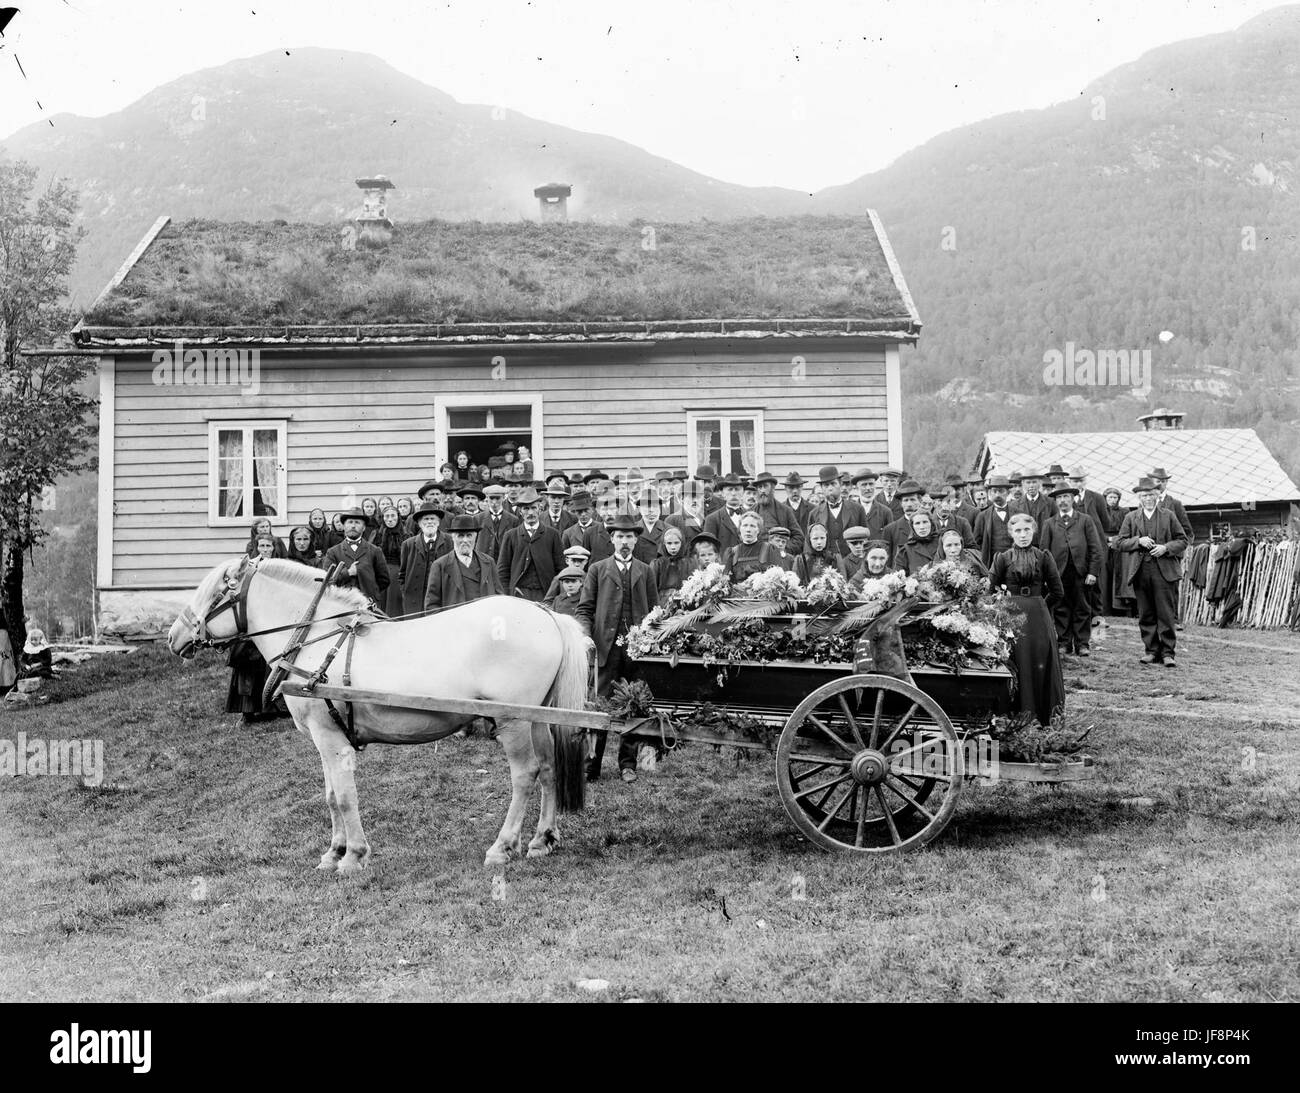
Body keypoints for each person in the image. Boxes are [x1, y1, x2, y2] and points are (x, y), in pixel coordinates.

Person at [576, 513, 659, 783]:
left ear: (636, 540)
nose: (625, 541)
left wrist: (650, 641)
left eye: (629, 537)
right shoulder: (598, 569)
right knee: (601, 706)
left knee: (635, 705)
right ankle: (592, 765)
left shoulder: (645, 571)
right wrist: (586, 637)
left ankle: (628, 764)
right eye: (620, 536)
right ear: (612, 539)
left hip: (636, 650)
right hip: (606, 648)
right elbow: (585, 609)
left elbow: (655, 613)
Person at [989, 513, 1066, 727]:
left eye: (1027, 530)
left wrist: (1040, 606)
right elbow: (990, 589)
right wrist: (1003, 607)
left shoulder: (1043, 557)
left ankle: (1042, 714)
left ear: (1033, 531)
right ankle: (1014, 713)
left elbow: (1057, 591)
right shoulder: (1002, 558)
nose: (1023, 535)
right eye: (1018, 531)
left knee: (1038, 660)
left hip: (1038, 618)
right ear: (1011, 533)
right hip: (1011, 617)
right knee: (1014, 660)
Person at [1116, 476, 1188, 667]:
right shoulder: (1131, 518)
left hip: (1164, 572)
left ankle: (1167, 653)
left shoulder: (1168, 516)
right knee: (1146, 613)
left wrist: (1166, 548)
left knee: (1165, 613)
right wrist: (1137, 541)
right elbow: (1120, 542)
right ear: (1139, 497)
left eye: (1151, 494)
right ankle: (1151, 650)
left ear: (1157, 495)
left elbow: (1183, 540)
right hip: (1140, 572)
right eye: (1144, 495)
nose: (1148, 498)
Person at [1040, 484, 1103, 657]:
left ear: (1073, 499)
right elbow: (1044, 552)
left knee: (1082, 607)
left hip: (1081, 572)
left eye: (1066, 497)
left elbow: (1095, 548)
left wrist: (1092, 572)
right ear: (1055, 501)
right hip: (1058, 574)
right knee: (1061, 608)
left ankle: (1082, 643)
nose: (1063, 501)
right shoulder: (1049, 523)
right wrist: (1047, 576)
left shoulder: (1085, 520)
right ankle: (1064, 643)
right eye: (1059, 498)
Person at [497, 487, 565, 602]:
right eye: (526, 508)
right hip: (518, 594)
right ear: (520, 511)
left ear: (540, 508)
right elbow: (503, 571)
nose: (530, 513)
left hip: (546, 594)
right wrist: (507, 596)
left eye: (533, 508)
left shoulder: (552, 535)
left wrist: (555, 594)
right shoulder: (511, 536)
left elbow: (560, 568)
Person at [423, 515, 504, 610]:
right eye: (460, 536)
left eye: (469, 535)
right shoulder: (440, 565)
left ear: (475, 537)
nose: (465, 540)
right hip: (456, 622)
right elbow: (431, 605)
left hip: (484, 620)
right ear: (453, 538)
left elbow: (500, 598)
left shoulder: (488, 562)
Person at [324, 508, 390, 607]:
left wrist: (371, 591)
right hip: (340, 606)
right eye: (350, 522)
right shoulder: (333, 552)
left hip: (369, 605)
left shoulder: (375, 551)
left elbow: (384, 580)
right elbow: (327, 581)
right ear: (344, 526)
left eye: (357, 523)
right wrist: (348, 573)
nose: (353, 526)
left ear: (364, 528)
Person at [397, 501, 449, 617]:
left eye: (432, 519)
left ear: (438, 522)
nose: (429, 522)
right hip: (415, 601)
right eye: (425, 519)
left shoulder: (449, 541)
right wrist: (406, 592)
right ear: (420, 523)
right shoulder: (408, 544)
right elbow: (402, 574)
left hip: (442, 600)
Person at [808, 465, 869, 558]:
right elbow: (809, 544)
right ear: (821, 488)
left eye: (833, 484)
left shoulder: (857, 509)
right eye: (826, 485)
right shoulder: (814, 514)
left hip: (852, 563)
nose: (830, 488)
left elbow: (866, 539)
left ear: (840, 484)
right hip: (826, 564)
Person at [753, 472, 804, 553]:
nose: (762, 490)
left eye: (765, 486)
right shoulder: (751, 512)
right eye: (760, 487)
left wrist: (783, 549)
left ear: (773, 488)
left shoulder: (785, 510)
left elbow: (798, 537)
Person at [701, 474, 748, 556]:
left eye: (737, 489)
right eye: (730, 489)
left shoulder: (751, 516)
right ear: (722, 493)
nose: (733, 493)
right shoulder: (712, 519)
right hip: (723, 566)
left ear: (743, 492)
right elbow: (708, 549)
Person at [720, 511, 773, 584]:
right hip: (737, 594)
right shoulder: (732, 552)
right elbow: (725, 581)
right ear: (740, 529)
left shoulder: (768, 549)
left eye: (752, 526)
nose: (748, 530)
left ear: (758, 530)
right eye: (745, 525)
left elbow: (777, 577)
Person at [976, 474, 1016, 567]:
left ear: (1008, 492)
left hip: (1015, 562)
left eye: (1001, 491)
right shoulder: (982, 516)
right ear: (990, 493)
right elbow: (977, 543)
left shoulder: (1018, 513)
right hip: (992, 563)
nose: (997, 495)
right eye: (994, 491)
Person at [373, 506, 407, 616]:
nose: (390, 519)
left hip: (398, 574)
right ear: (383, 518)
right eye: (387, 516)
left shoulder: (406, 534)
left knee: (395, 605)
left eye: (393, 516)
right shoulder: (377, 534)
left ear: (398, 517)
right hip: (381, 574)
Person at [1009, 469, 1052, 546]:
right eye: (1028, 482)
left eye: (1034, 482)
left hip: (1045, 546)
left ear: (1040, 483)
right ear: (1023, 484)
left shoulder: (1050, 503)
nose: (1031, 485)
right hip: (1024, 547)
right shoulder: (1014, 505)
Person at [651, 526, 693, 605]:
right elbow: (652, 590)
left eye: (676, 543)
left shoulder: (689, 563)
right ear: (664, 544)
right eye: (669, 543)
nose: (673, 547)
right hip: (662, 605)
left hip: (684, 603)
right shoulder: (658, 564)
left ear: (682, 543)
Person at [895, 510, 942, 576]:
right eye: (917, 523)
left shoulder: (943, 544)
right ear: (912, 527)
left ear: (931, 524)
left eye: (925, 522)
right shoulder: (905, 551)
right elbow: (900, 578)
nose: (922, 527)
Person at [476, 484, 518, 558]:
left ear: (504, 498)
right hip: (483, 560)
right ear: (487, 498)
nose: (494, 502)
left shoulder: (513, 520)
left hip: (505, 560)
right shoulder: (478, 519)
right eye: (491, 498)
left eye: (498, 498)